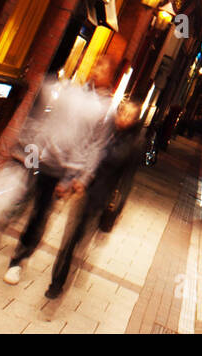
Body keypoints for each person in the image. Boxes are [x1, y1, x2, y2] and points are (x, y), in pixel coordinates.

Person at [1, 57, 116, 289]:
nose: (96, 69)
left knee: (40, 215)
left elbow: (96, 147)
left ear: (111, 75)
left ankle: (19, 260)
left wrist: (79, 178)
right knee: (18, 200)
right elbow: (45, 120)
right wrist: (27, 152)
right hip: (38, 158)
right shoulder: (72, 92)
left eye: (102, 67)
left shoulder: (106, 110)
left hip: (62, 171)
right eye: (96, 64)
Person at [46, 96, 143, 296]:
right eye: (122, 112)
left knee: (81, 236)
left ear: (135, 121)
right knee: (70, 237)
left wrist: (116, 210)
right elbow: (86, 152)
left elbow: (127, 181)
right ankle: (57, 282)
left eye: (129, 116)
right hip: (83, 190)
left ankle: (71, 261)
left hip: (102, 196)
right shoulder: (105, 131)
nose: (123, 118)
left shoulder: (134, 144)